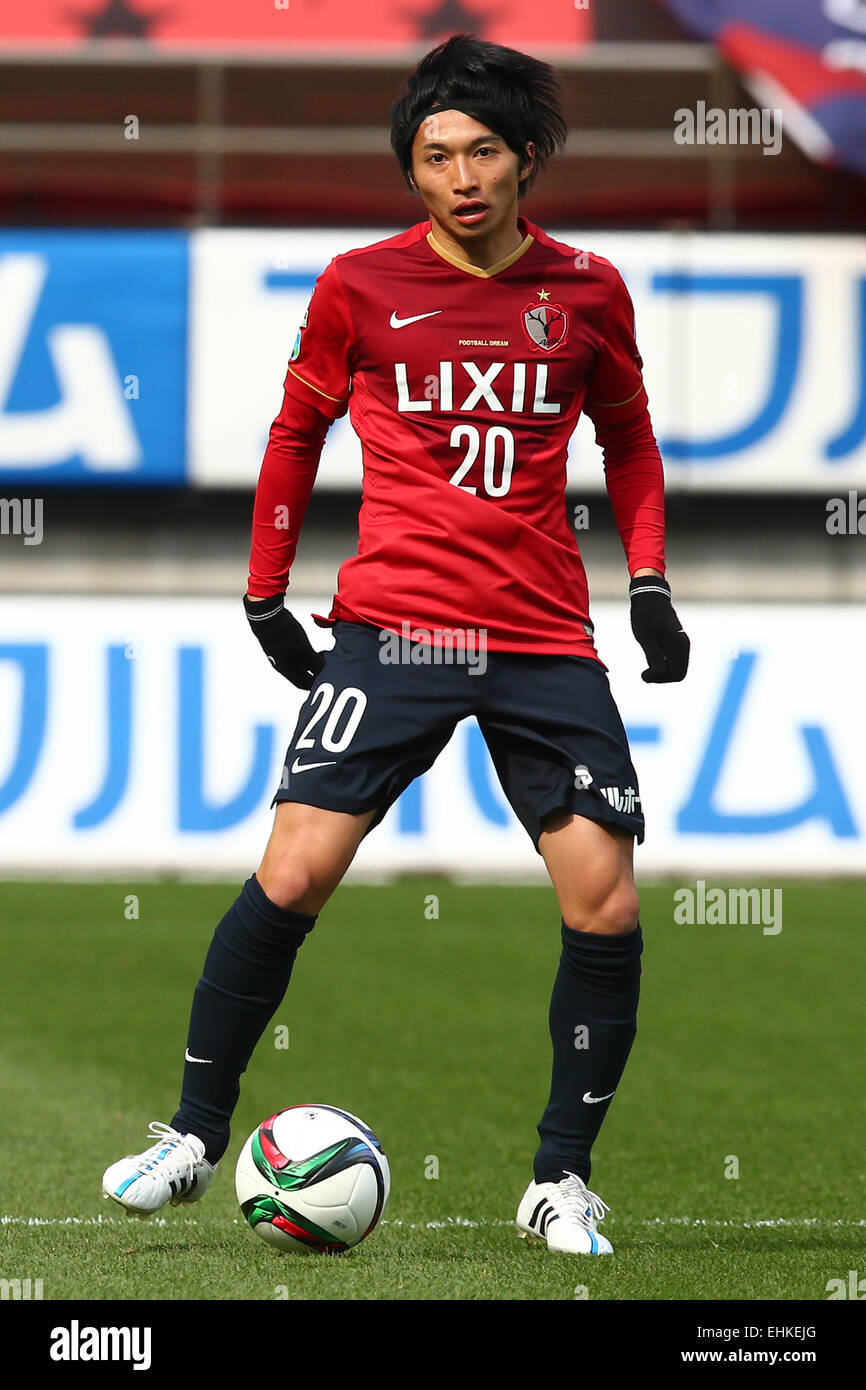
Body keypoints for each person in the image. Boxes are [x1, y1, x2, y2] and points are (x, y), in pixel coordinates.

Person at [102, 32, 689, 1256]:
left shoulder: (587, 291)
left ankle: (558, 1179)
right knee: (291, 874)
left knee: (605, 904)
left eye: (482, 151)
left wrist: (645, 580)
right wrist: (267, 594)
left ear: (527, 158)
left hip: (539, 636)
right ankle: (196, 1134)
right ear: (410, 174)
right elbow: (293, 433)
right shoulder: (358, 286)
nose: (461, 175)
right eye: (435, 157)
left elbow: (627, 443)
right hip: (394, 628)